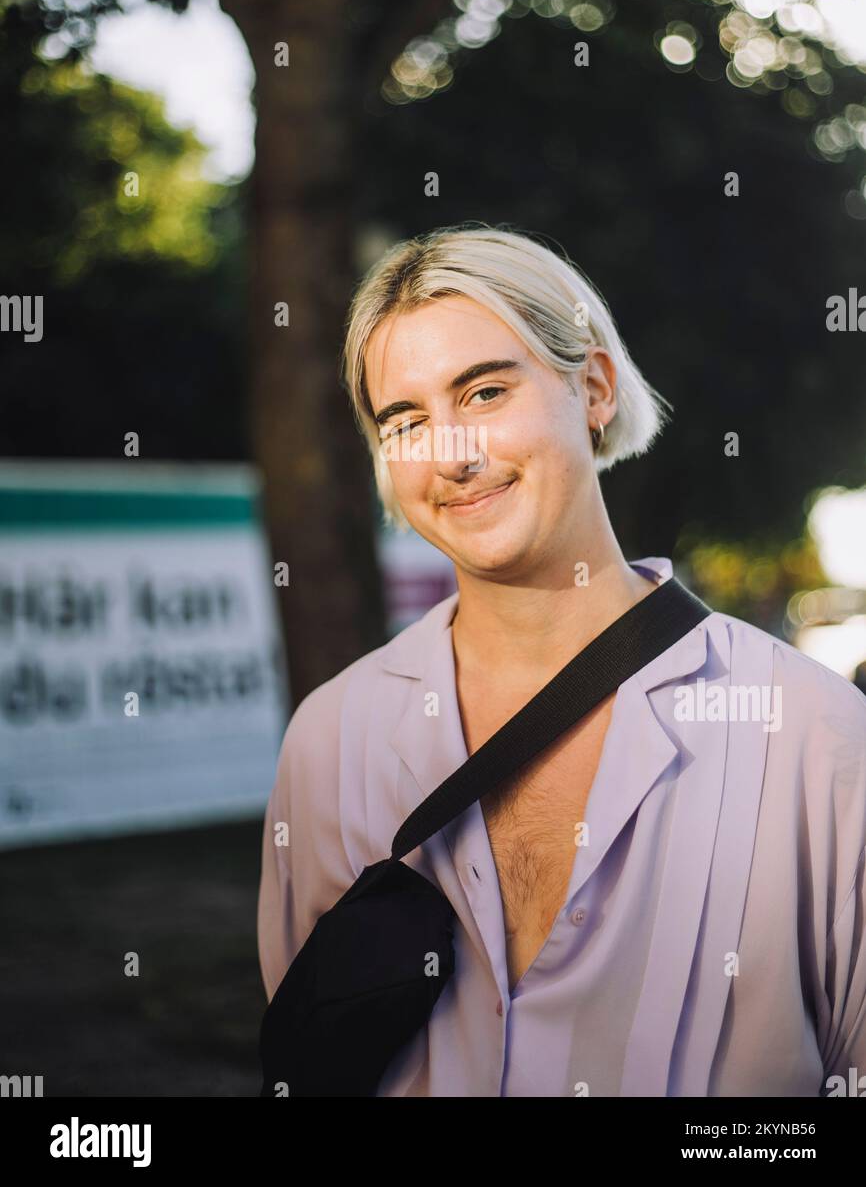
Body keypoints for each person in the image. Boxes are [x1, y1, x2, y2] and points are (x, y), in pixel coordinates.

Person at [257, 223, 866, 1097]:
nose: (452, 455)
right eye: (405, 419)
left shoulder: (815, 734)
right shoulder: (330, 740)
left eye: (485, 392)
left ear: (594, 387)